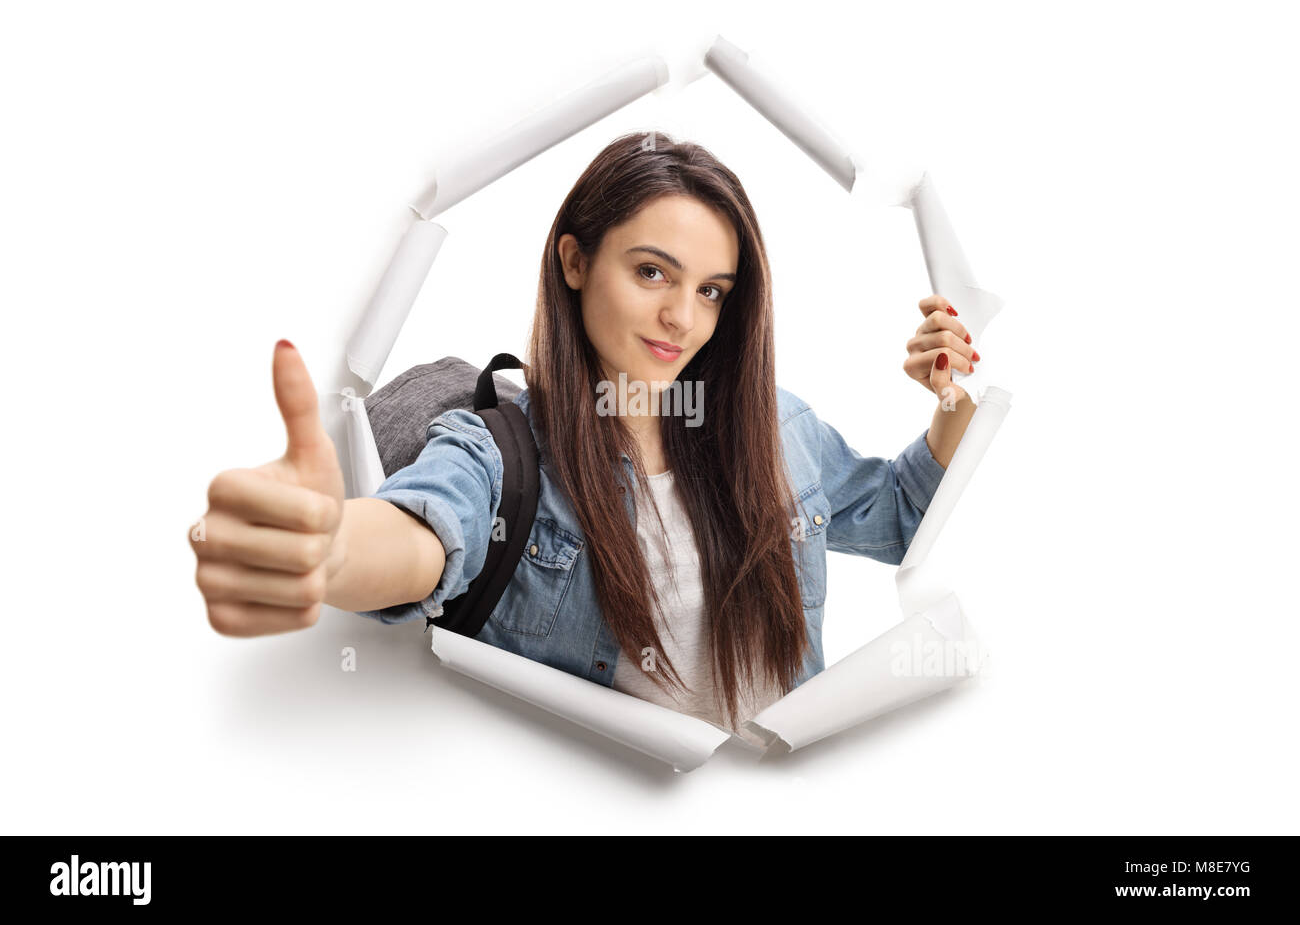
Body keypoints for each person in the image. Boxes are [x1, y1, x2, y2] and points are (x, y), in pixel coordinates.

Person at [190, 131, 978, 735]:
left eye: (711, 291)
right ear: (574, 260)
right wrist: (325, 552)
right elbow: (420, 535)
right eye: (651, 272)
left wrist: (953, 397)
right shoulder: (501, 452)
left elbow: (902, 516)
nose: (684, 316)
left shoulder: (773, 427)